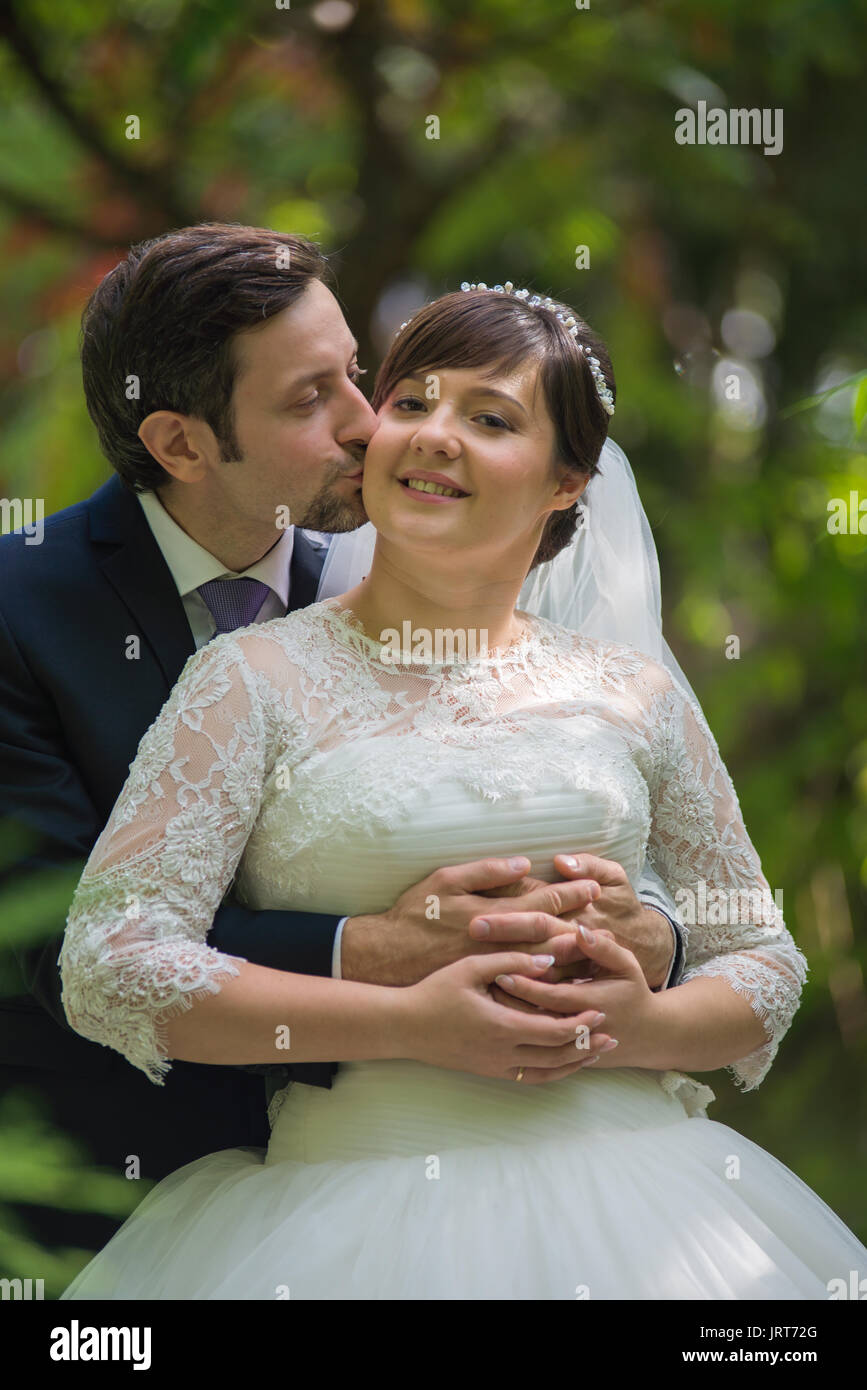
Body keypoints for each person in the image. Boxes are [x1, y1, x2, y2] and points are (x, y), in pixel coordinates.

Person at [59, 280, 867, 1300]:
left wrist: (635, 1025)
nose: (435, 435)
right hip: (350, 1216)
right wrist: (407, 1019)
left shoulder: (631, 690)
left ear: (568, 480)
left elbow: (762, 957)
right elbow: (110, 963)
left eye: (489, 418)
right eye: (412, 402)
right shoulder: (246, 680)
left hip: (651, 1214)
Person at [0, 226, 682, 1254]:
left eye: (356, 374)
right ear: (181, 444)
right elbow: (49, 940)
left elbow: (586, 771)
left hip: (464, 1175)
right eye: (309, 399)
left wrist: (645, 927)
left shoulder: (421, 548)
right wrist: (373, 953)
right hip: (120, 1195)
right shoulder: (19, 609)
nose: (371, 424)